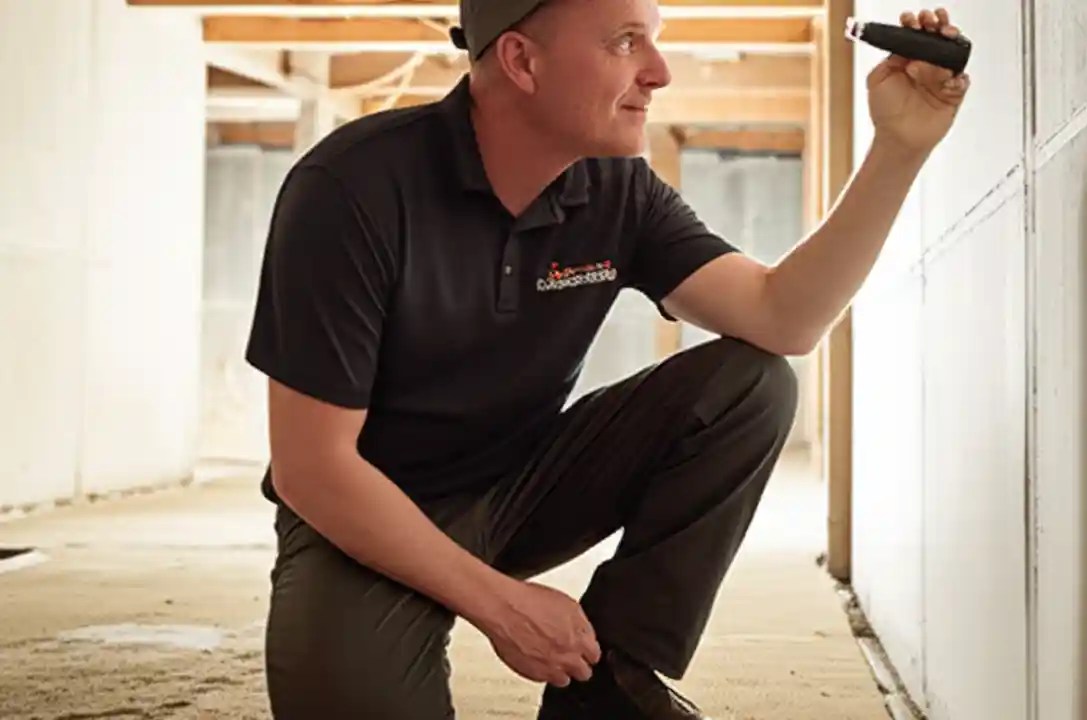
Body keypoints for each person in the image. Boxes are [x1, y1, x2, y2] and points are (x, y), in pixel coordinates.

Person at [245, 0, 969, 716]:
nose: (658, 73)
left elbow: (784, 317)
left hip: (523, 485)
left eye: (652, 41)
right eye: (626, 43)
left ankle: (609, 692)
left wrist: (899, 149)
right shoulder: (352, 188)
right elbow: (315, 468)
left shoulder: (616, 189)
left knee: (751, 385)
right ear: (521, 61)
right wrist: (505, 607)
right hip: (369, 510)